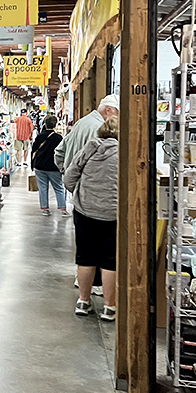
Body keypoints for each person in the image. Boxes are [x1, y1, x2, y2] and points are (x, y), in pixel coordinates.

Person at [63, 116, 119, 321]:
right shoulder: (124, 153)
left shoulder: (90, 148)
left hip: (85, 212)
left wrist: (79, 194)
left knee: (85, 258)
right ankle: (109, 307)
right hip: (113, 214)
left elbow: (69, 177)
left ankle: (83, 301)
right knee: (110, 260)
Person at [54, 94, 119, 174]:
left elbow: (59, 152)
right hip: (87, 183)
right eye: (117, 113)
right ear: (108, 110)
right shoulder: (101, 129)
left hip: (73, 181)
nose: (118, 118)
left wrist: (67, 173)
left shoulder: (81, 122)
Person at [31, 114, 67, 216]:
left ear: (45, 124)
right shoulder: (58, 137)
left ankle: (45, 209)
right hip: (54, 167)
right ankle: (63, 209)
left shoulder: (39, 136)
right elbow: (62, 152)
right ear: (55, 124)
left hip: (40, 166)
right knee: (59, 187)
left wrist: (32, 165)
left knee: (42, 188)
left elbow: (34, 151)